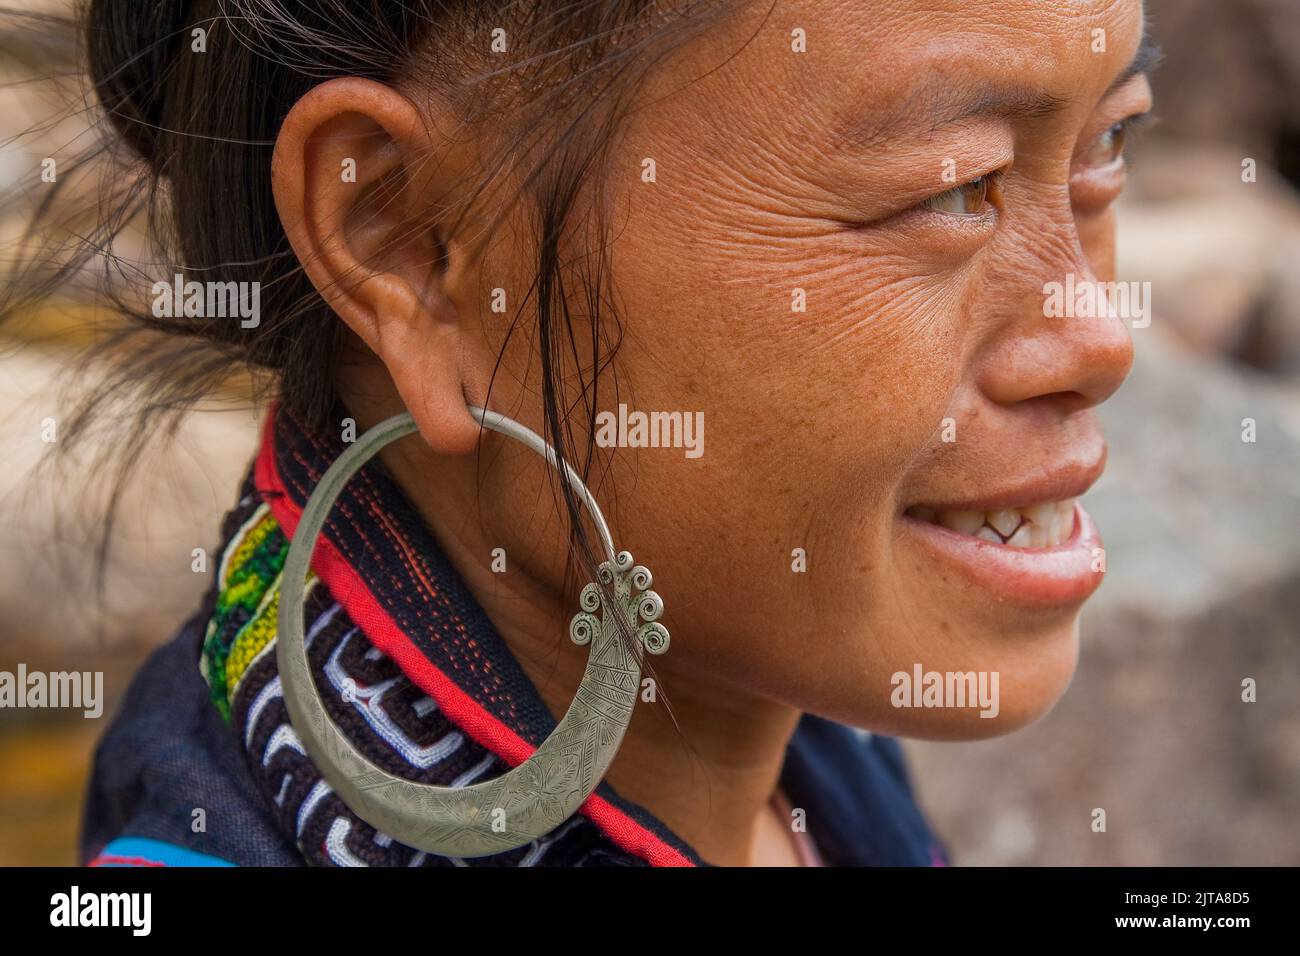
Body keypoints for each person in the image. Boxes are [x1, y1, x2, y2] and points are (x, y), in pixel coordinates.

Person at [6, 0, 1155, 867]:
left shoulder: (793, 727)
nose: (1098, 336)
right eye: (956, 185)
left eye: (1107, 145)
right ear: (416, 245)